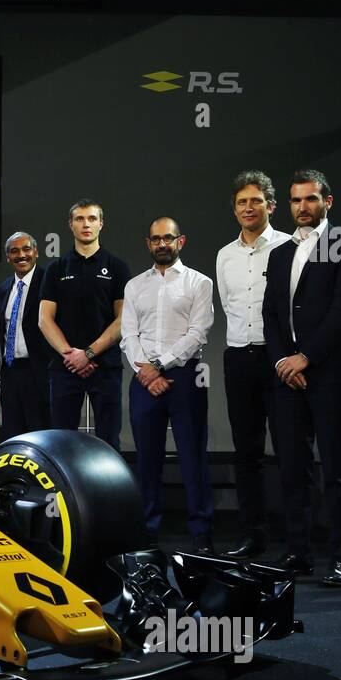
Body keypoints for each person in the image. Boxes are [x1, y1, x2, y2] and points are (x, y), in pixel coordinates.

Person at [263, 171, 341, 585]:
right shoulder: (280, 252)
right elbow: (270, 316)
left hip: (330, 371)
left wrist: (306, 357)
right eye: (295, 200)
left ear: (328, 201)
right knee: (292, 467)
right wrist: (283, 362)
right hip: (288, 374)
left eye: (310, 199)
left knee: (336, 469)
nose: (302, 207)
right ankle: (298, 553)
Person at [121, 217, 215, 553]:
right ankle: (147, 528)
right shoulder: (134, 286)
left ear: (181, 241)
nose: (162, 244)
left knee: (193, 456)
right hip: (143, 380)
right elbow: (128, 334)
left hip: (186, 376)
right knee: (148, 458)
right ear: (148, 244)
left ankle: (201, 530)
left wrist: (159, 366)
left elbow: (198, 333)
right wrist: (146, 371)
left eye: (169, 238)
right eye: (156, 239)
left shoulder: (199, 283)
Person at [216, 171, 291, 559]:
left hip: (277, 360)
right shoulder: (224, 255)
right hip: (238, 358)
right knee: (246, 453)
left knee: (289, 451)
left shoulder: (287, 246)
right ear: (235, 209)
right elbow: (230, 305)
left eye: (256, 201)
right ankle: (253, 535)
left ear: (271, 206)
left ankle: (296, 542)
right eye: (242, 202)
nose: (249, 207)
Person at [38, 200, 131, 452]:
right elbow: (44, 319)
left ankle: (109, 493)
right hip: (64, 367)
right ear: (71, 225)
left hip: (105, 367)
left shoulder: (117, 267)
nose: (86, 224)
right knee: (61, 443)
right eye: (79, 219)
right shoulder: (56, 268)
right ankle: (66, 492)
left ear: (101, 223)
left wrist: (88, 354)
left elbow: (123, 320)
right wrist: (71, 355)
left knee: (108, 442)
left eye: (91, 218)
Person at [0, 232, 51, 437]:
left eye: (26, 249)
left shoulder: (49, 281)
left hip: (39, 372)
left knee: (41, 433)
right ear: (8, 257)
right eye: (14, 251)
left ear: (36, 252)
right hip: (10, 372)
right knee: (13, 431)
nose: (21, 255)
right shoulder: (3, 289)